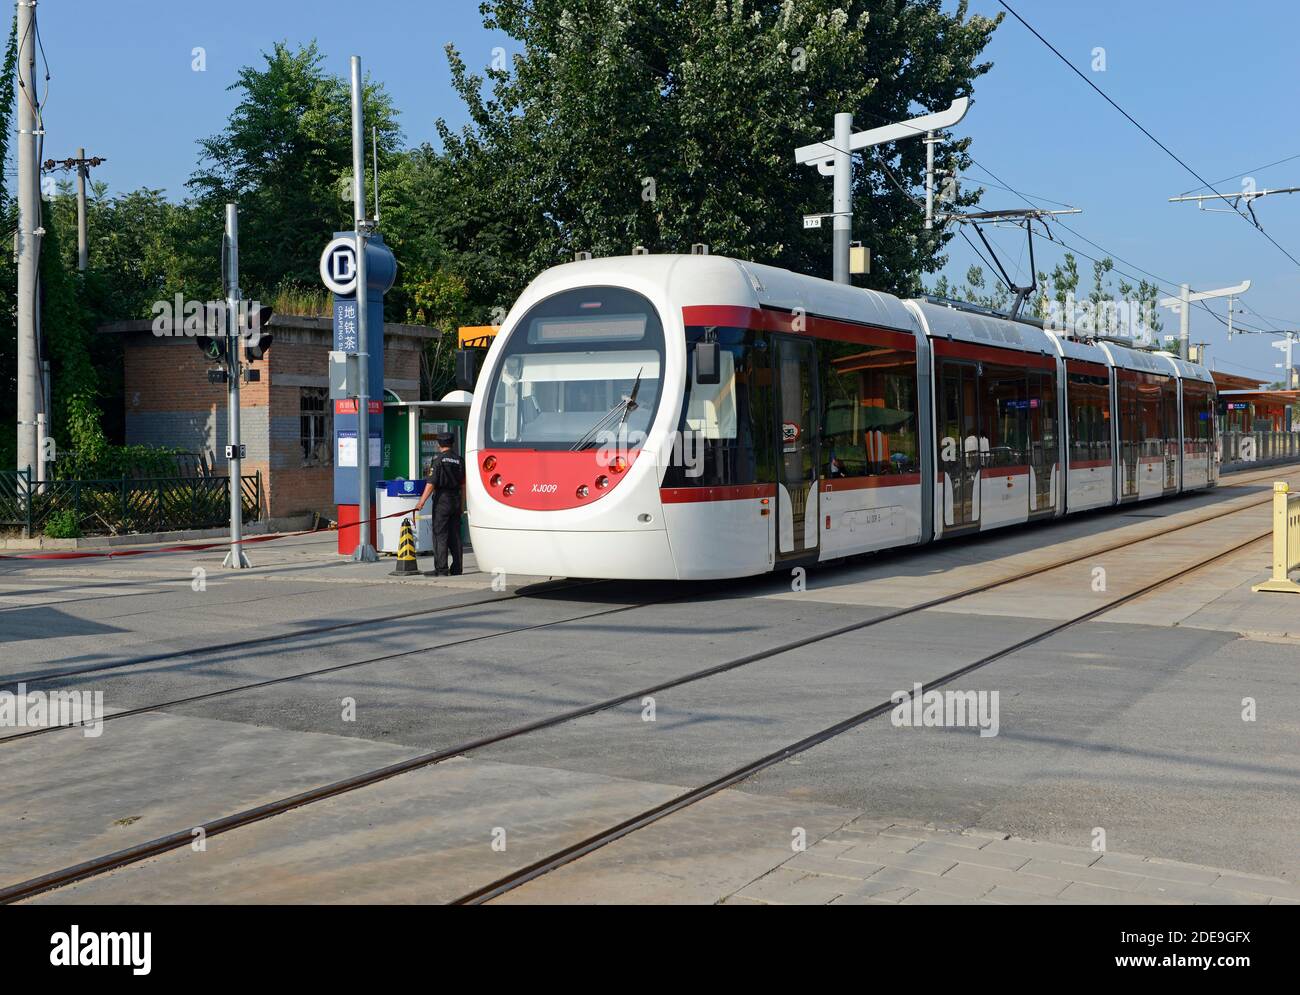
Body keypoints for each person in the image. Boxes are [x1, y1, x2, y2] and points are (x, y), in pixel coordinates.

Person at [415, 433, 465, 576]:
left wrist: (421, 501)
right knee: (455, 535)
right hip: (456, 499)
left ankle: (441, 569)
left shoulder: (438, 460)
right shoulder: (459, 460)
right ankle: (457, 568)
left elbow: (431, 483)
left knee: (440, 534)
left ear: (439, 445)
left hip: (442, 501)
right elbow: (463, 485)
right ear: (452, 444)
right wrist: (462, 505)